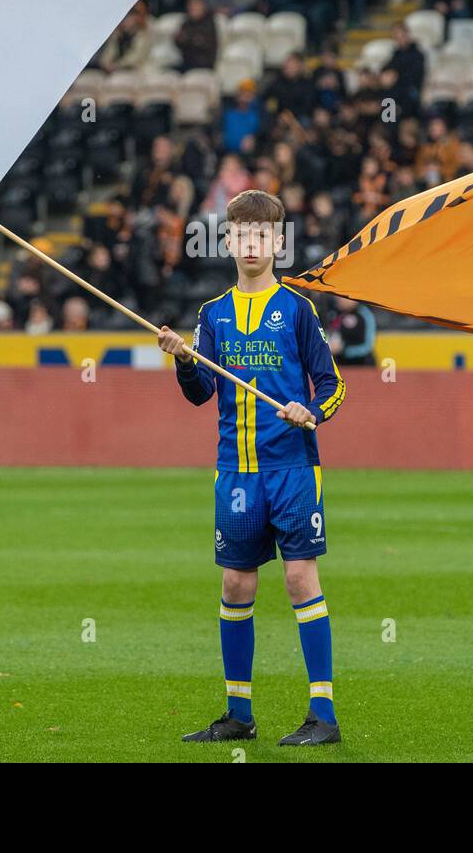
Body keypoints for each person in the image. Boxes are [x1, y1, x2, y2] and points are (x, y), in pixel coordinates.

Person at [157, 189, 346, 747]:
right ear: (229, 241)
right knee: (236, 583)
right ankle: (238, 714)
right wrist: (185, 361)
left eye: (262, 235)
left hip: (292, 468)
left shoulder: (298, 310)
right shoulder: (212, 314)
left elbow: (333, 384)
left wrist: (311, 411)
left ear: (278, 242)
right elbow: (200, 392)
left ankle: (323, 715)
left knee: (299, 577)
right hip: (235, 472)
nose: (252, 244)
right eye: (242, 234)